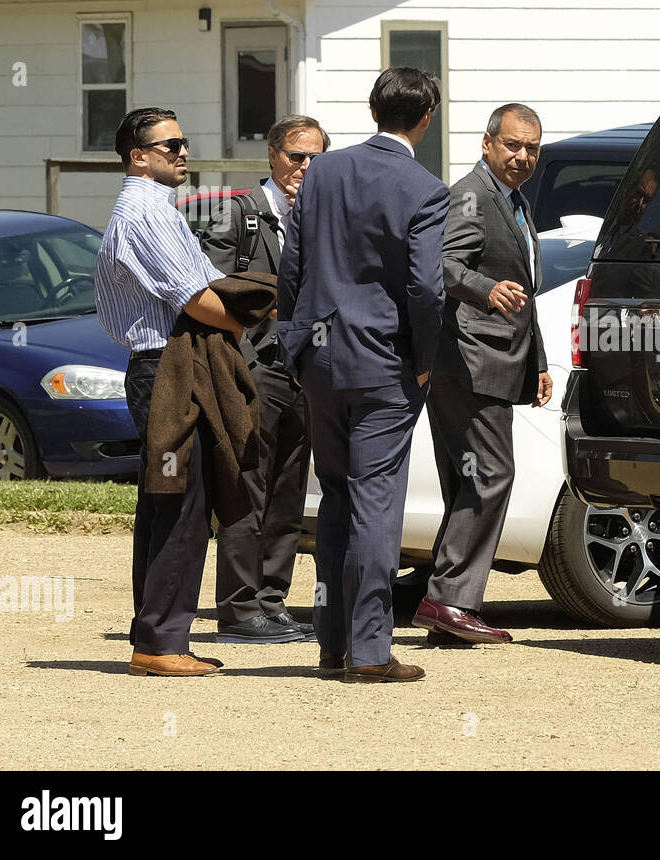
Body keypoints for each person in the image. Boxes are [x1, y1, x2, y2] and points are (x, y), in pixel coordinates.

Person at [277, 68, 446, 683]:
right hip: (384, 362)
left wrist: (294, 345)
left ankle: (332, 642)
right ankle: (370, 651)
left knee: (336, 499)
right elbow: (427, 287)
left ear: (374, 109)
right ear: (425, 119)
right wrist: (425, 358)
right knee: (376, 505)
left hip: (321, 357)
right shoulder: (425, 188)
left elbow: (293, 267)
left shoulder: (321, 171)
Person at [96, 106, 244, 677]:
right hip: (168, 369)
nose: (184, 152)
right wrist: (248, 320)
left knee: (168, 503)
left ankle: (157, 636)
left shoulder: (153, 206)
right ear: (139, 155)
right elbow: (195, 296)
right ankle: (159, 643)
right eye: (171, 145)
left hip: (166, 366)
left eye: (184, 143)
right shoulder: (144, 210)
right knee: (181, 504)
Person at [411, 103, 553, 645]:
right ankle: (449, 601)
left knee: (469, 480)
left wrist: (537, 359)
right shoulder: (470, 194)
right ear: (488, 142)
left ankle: (444, 607)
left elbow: (526, 288)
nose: (523, 157)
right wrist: (484, 290)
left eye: (532, 148)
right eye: (513, 145)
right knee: (491, 475)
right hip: (467, 361)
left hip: (495, 360)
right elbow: (440, 265)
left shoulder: (512, 200)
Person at [200, 115, 329, 644]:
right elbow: (210, 289)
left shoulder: (323, 215)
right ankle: (237, 607)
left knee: (288, 492)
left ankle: (272, 600)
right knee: (246, 487)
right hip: (256, 370)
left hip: (307, 374)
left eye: (317, 158)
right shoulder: (241, 214)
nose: (305, 167)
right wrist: (245, 360)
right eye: (297, 156)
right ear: (273, 157)